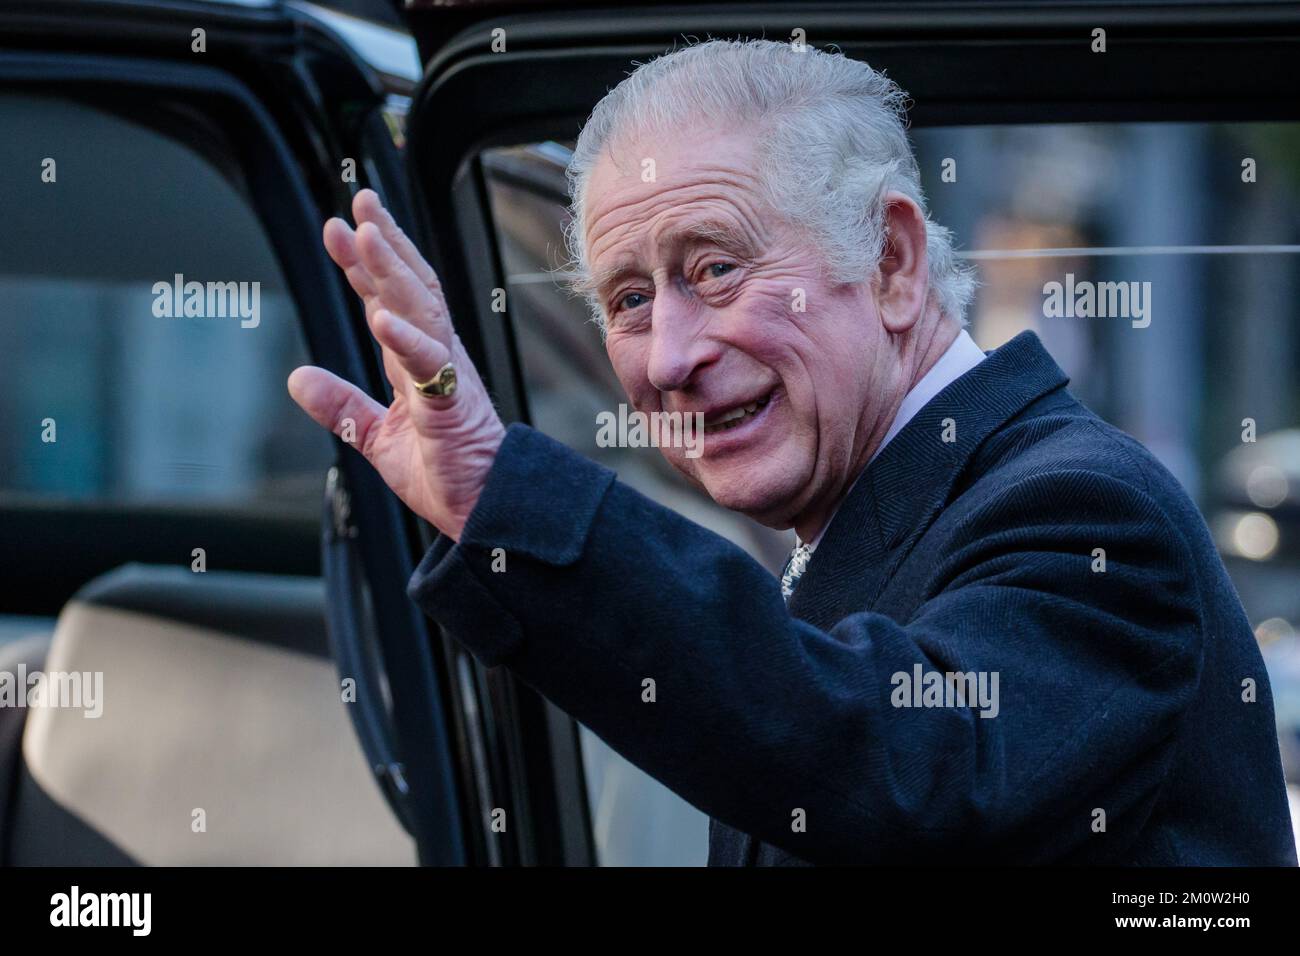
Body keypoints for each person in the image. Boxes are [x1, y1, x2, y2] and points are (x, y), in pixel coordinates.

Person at [288, 39, 1296, 865]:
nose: (672, 356)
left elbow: (899, 760)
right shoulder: (877, 514)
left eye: (716, 268)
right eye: (630, 300)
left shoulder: (1084, 512)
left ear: (891, 261)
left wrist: (509, 495)